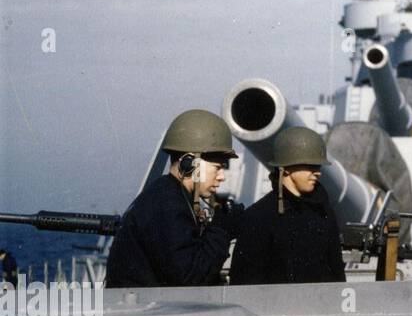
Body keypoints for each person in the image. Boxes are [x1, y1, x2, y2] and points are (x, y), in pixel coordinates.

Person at [105, 109, 241, 288]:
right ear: (189, 163)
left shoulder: (167, 195)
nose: (222, 177)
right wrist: (221, 229)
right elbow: (191, 278)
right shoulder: (168, 205)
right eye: (217, 167)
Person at [230, 126, 346, 285]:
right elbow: (244, 283)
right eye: (310, 166)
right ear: (285, 168)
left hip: (319, 300)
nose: (317, 172)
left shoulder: (324, 212)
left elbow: (337, 276)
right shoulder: (258, 218)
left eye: (318, 166)